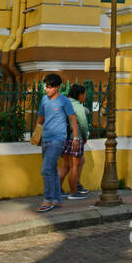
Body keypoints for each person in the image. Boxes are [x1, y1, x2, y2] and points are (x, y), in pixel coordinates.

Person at [35, 73, 80, 212]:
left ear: (57, 87)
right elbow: (40, 119)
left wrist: (76, 138)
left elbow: (73, 119)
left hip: (58, 139)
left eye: (50, 87)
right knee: (52, 170)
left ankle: (48, 200)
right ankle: (57, 200)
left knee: (46, 169)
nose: (47, 89)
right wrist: (36, 134)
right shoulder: (44, 100)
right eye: (46, 87)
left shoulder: (64, 101)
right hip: (46, 139)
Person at [59, 83, 92, 199]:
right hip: (75, 139)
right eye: (84, 95)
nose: (85, 97)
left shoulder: (65, 103)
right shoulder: (78, 106)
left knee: (66, 166)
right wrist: (85, 136)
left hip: (64, 138)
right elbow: (83, 124)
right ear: (80, 95)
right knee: (75, 166)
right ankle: (74, 192)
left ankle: (57, 190)